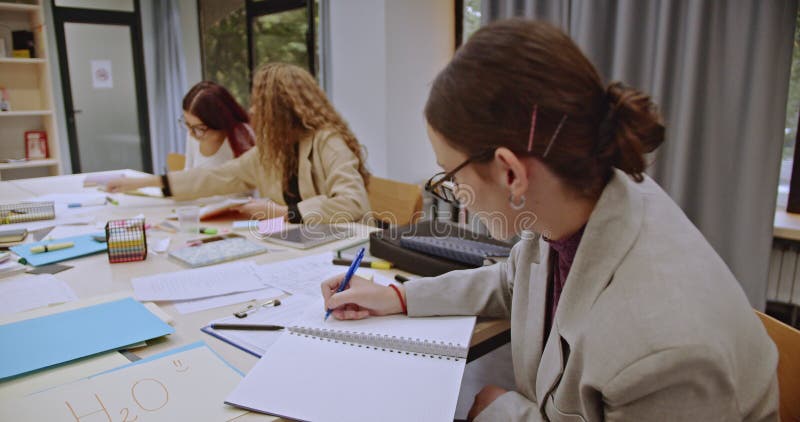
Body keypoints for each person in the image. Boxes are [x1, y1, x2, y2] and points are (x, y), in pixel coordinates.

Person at [321, 19, 778, 421]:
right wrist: (396, 296)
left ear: (510, 172)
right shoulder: (574, 203)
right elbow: (512, 280)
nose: (455, 193)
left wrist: (499, 411)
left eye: (452, 175)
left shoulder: (661, 351)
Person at [107, 63, 370, 223]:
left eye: (261, 104)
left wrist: (283, 213)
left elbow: (352, 203)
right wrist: (146, 182)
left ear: (283, 110)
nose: (253, 109)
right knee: (235, 243)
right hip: (293, 237)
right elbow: (216, 177)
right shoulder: (272, 150)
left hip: (336, 244)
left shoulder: (328, 142)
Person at [179, 81, 254, 169]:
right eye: (187, 124)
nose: (191, 133)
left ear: (219, 122)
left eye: (200, 128)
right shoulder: (193, 133)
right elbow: (188, 173)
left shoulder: (243, 135)